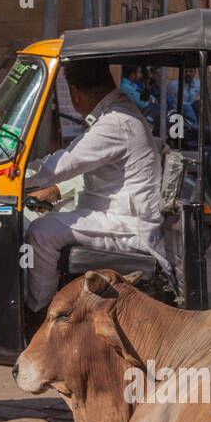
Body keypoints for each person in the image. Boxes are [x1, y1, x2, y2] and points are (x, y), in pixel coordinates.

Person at [22, 58, 168, 316]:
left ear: (74, 92)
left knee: (41, 232)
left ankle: (39, 314)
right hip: (114, 215)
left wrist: (12, 177)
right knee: (40, 217)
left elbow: (62, 165)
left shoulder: (116, 123)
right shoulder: (113, 114)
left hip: (126, 224)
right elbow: (69, 155)